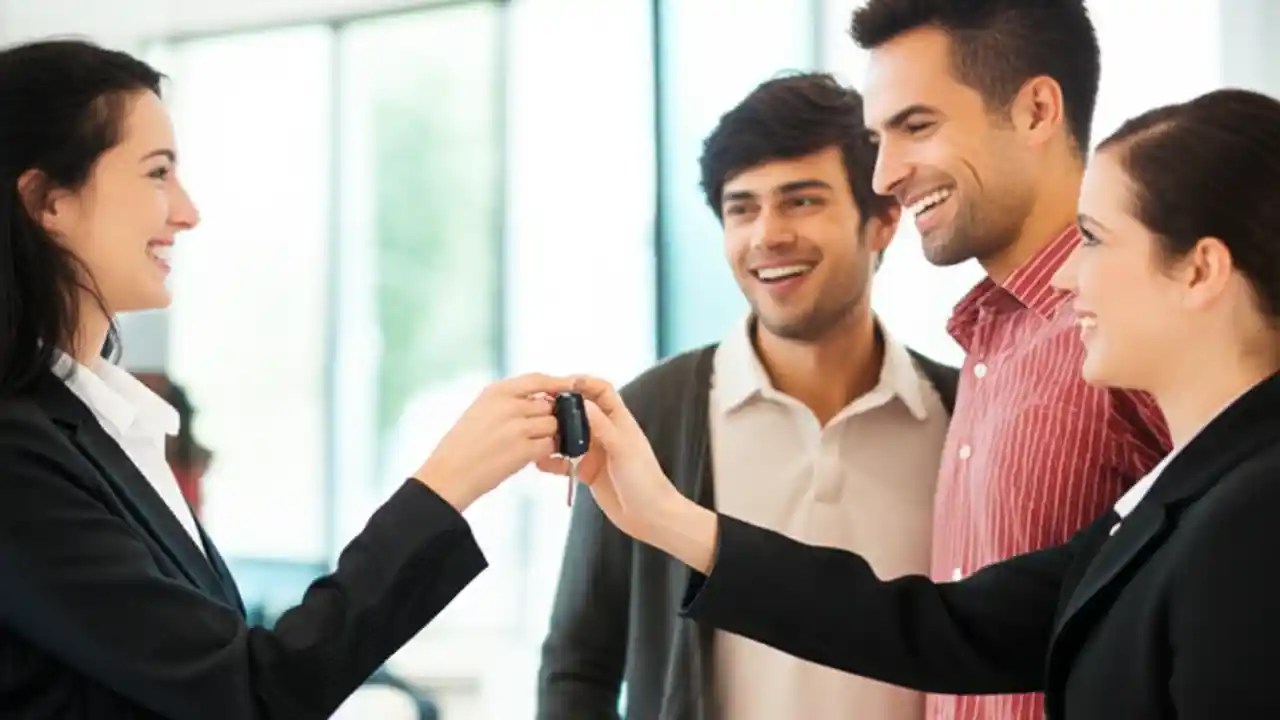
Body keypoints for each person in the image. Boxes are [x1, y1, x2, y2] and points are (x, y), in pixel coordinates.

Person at [555, 87, 1280, 720]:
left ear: (1201, 271)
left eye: (1092, 239)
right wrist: (671, 521)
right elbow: (942, 628)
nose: (1065, 280)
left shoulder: (1253, 513)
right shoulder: (1184, 492)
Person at [0, 39, 573, 719]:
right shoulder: (16, 451)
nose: (187, 212)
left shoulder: (101, 426)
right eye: (157, 173)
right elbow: (250, 692)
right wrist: (448, 484)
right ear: (47, 202)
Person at [537, 73, 957, 720]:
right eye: (742, 208)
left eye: (801, 201)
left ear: (883, 221)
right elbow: (578, 666)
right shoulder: (646, 417)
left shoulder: (961, 416)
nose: (767, 235)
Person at [849, 2, 1172, 717]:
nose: (883, 174)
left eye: (917, 126)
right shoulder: (988, 339)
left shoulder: (1139, 330)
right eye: (878, 137)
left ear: (1035, 111)